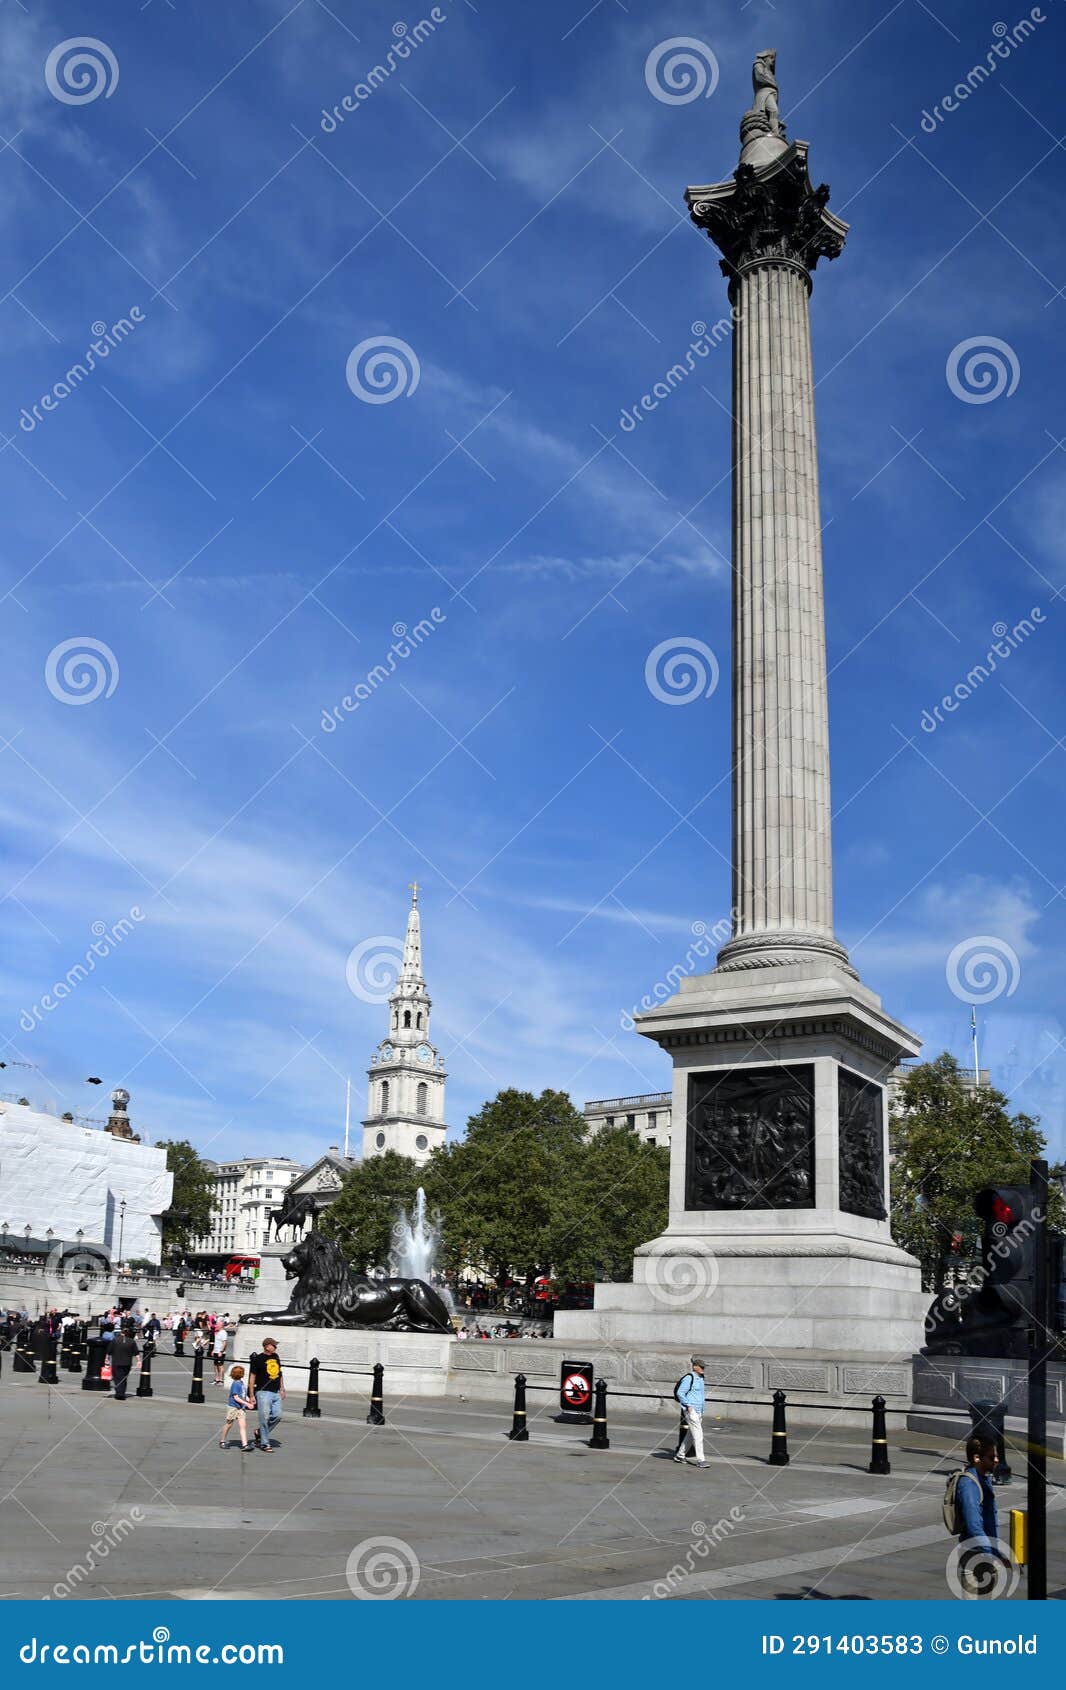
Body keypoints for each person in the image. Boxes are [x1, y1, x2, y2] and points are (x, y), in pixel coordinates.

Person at [955, 1435, 1010, 1598]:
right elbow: (974, 1526)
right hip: (974, 1555)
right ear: (977, 1458)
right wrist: (995, 1554)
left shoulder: (983, 1478)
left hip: (986, 1554)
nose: (997, 1460)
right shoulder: (969, 1485)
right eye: (992, 1456)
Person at [247, 1337, 285, 1451]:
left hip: (276, 1391)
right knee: (264, 1418)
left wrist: (282, 1388)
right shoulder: (258, 1359)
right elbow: (252, 1377)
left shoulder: (276, 1357)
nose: (275, 1347)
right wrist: (252, 1395)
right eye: (274, 1345)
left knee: (278, 1416)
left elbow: (280, 1373)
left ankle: (259, 1432)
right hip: (263, 1392)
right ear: (267, 1346)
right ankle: (264, 1443)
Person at [673, 1358, 708, 1469]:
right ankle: (701, 1460)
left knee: (690, 1435)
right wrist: (688, 1406)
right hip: (691, 1410)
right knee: (698, 1435)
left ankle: (680, 1455)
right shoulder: (689, 1378)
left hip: (699, 1411)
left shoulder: (701, 1378)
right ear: (694, 1367)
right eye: (701, 1366)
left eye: (704, 1367)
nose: (703, 1368)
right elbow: (680, 1393)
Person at [219, 1365, 253, 1451]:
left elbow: (243, 1394)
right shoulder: (235, 1384)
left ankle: (245, 1445)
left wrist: (249, 1399)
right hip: (233, 1407)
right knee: (229, 1424)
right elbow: (236, 1397)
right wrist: (247, 1404)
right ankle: (222, 1441)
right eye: (242, 1373)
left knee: (243, 1426)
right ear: (241, 1374)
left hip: (241, 1408)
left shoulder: (241, 1383)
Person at [109, 1322, 139, 1402]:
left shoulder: (115, 1340)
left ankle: (119, 1394)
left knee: (117, 1378)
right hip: (127, 1363)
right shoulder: (132, 1341)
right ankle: (121, 1392)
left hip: (116, 1362)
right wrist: (139, 1361)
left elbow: (109, 1351)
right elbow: (136, 1353)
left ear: (121, 1332)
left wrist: (106, 1359)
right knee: (124, 1378)